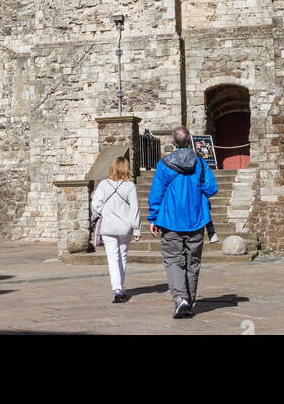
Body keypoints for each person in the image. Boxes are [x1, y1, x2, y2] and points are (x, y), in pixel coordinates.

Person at [148, 125, 218, 318]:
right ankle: (190, 300)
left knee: (173, 261)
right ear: (190, 142)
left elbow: (156, 192)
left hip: (170, 220)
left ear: (172, 142)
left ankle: (181, 299)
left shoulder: (164, 164)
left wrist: (153, 217)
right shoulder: (201, 164)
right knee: (192, 262)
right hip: (195, 219)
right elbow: (211, 189)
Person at [91, 156, 141, 303]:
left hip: (108, 226)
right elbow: (135, 209)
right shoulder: (130, 186)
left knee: (112, 258)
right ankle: (121, 287)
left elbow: (95, 204)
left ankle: (117, 288)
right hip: (125, 227)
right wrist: (137, 229)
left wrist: (104, 212)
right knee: (123, 256)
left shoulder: (103, 184)